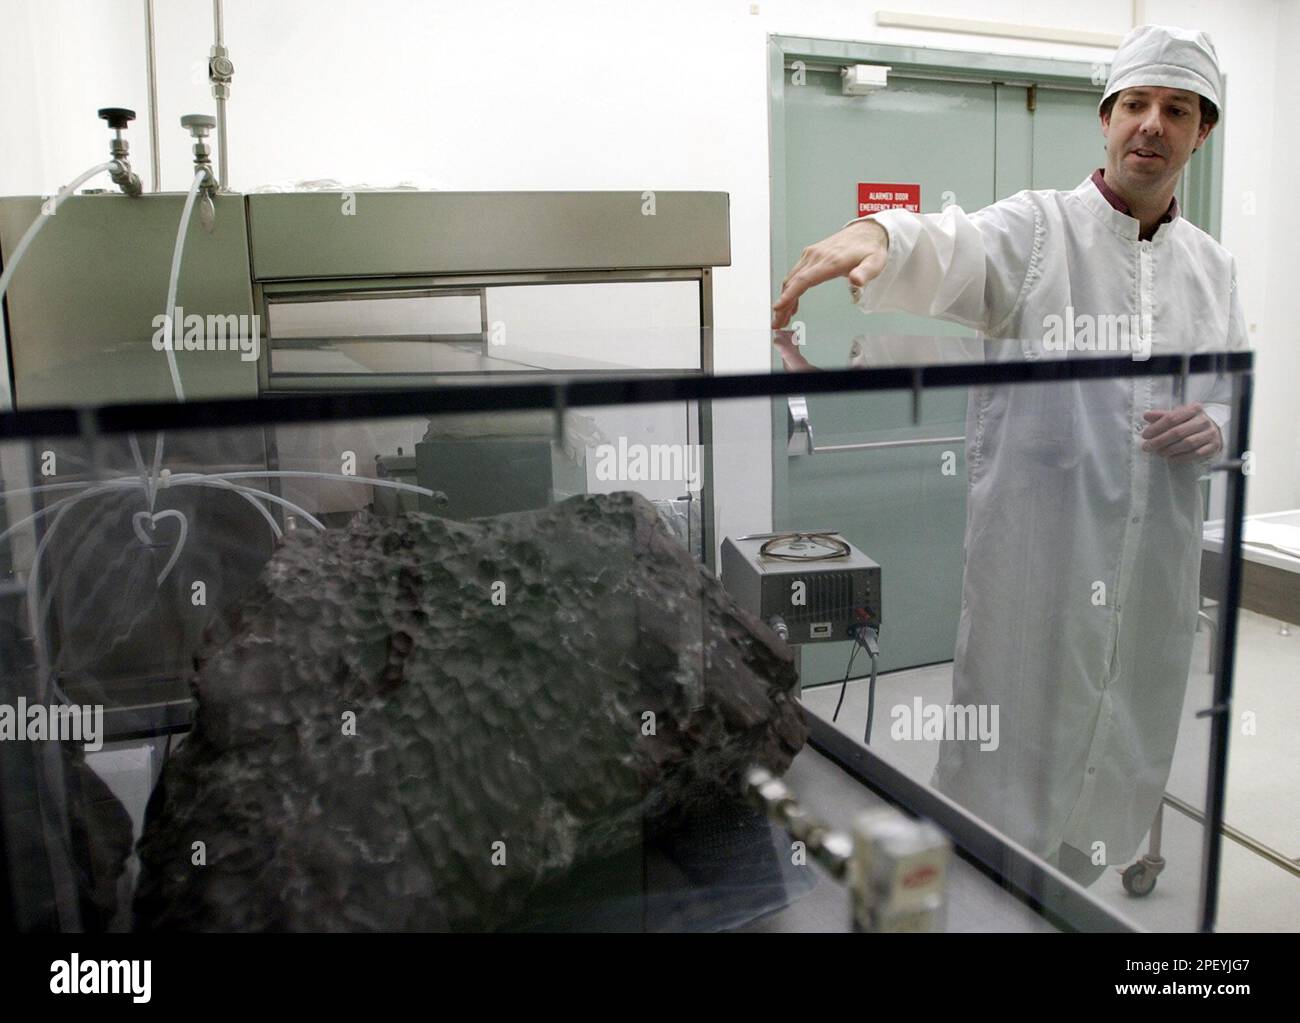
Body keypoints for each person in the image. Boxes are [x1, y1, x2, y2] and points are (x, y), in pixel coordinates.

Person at [771, 25, 1247, 886]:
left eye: (1176, 109)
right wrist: (884, 236)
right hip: (1042, 559)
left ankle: (1100, 866)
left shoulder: (1212, 269)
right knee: (1017, 736)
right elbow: (954, 244)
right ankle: (999, 888)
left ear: (1200, 132)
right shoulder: (1039, 231)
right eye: (1135, 104)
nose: (1152, 124)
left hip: (1154, 564)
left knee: (1129, 717)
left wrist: (1215, 419)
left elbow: (1230, 388)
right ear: (1104, 121)